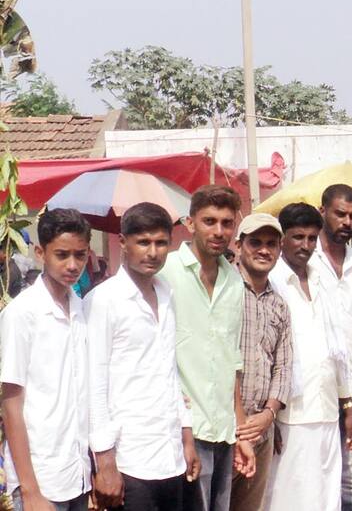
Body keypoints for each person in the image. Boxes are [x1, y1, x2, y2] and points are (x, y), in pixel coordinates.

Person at [87, 203, 200, 511]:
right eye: (143, 242)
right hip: (129, 458)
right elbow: (94, 384)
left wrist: (186, 436)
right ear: (123, 243)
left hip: (170, 454)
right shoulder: (103, 301)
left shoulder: (166, 294)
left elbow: (169, 370)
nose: (153, 252)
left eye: (161, 243)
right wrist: (105, 461)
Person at [160, 186, 256, 511]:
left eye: (226, 223)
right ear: (190, 223)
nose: (219, 231)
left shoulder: (233, 281)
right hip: (181, 429)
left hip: (224, 430)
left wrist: (241, 433)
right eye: (209, 221)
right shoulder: (165, 272)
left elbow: (233, 362)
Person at [265, 203, 352, 511]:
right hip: (289, 415)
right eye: (297, 237)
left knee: (326, 496)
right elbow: (266, 355)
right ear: (282, 239)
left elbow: (338, 349)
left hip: (327, 410)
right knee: (287, 497)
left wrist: (347, 406)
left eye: (311, 238)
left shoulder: (322, 279)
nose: (305, 245)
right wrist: (269, 418)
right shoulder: (272, 283)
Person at [1, 209, 93, 511]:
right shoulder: (22, 314)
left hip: (77, 475)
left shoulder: (81, 309)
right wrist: (30, 491)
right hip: (40, 480)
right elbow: (11, 402)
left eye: (80, 255)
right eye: (62, 254)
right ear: (40, 253)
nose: (72, 265)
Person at [311, 184, 352, 511]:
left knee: (351, 481)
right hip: (315, 389)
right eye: (340, 214)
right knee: (317, 476)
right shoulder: (304, 261)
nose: (347, 222)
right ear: (323, 211)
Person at [229, 213, 293, 511]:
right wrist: (240, 423)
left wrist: (269, 414)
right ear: (239, 245)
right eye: (255, 242)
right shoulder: (222, 291)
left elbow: (284, 364)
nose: (264, 250)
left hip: (261, 428)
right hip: (224, 427)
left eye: (271, 244)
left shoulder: (278, 302)